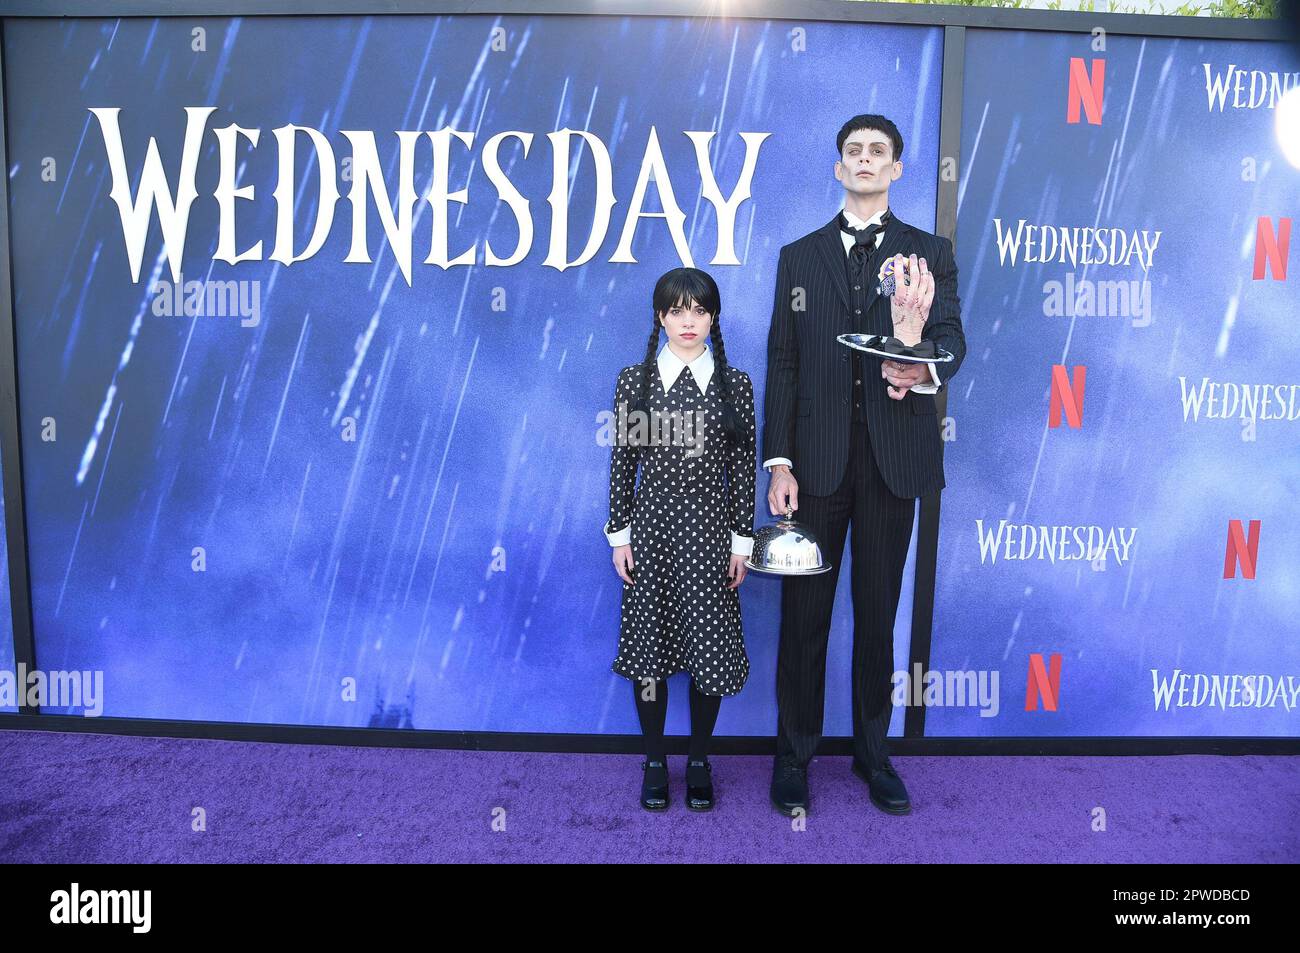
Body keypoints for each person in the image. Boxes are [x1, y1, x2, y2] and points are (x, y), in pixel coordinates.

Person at [762, 114, 967, 817]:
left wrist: (919, 367)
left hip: (893, 463)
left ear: (896, 168)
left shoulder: (930, 253)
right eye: (854, 151)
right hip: (814, 467)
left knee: (878, 615)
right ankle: (793, 757)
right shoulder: (799, 257)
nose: (866, 159)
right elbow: (783, 360)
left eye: (879, 151)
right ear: (839, 167)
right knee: (803, 618)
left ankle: (874, 755)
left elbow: (952, 340)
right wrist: (779, 462)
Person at [604, 267, 757, 812]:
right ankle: (653, 761)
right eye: (676, 311)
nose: (688, 321)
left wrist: (742, 542)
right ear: (660, 317)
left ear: (713, 317)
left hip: (711, 532)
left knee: (708, 648)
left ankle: (697, 760)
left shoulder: (735, 384)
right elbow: (622, 463)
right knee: (650, 648)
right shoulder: (634, 381)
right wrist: (619, 536)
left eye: (699, 310)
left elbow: (743, 469)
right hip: (651, 531)